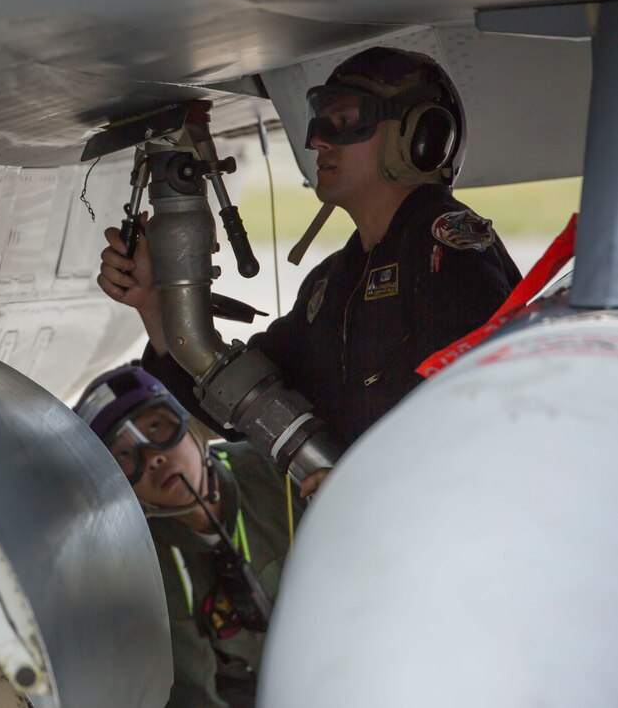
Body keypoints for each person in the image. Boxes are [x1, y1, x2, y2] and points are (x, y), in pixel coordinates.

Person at [97, 47, 521, 488]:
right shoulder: (333, 285)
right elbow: (238, 408)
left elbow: (486, 410)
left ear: (420, 137)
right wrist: (152, 303)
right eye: (320, 120)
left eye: (344, 120)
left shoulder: (447, 252)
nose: (318, 140)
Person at [75, 365, 299, 708]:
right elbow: (193, 695)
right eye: (124, 458)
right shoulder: (144, 573)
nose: (152, 457)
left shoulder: (271, 469)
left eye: (156, 427)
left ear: (190, 426)